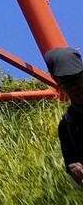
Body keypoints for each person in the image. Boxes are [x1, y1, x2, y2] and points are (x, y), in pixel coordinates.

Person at [46, 46, 83, 186]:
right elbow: (73, 170)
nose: (76, 87)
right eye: (67, 82)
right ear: (57, 82)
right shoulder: (68, 126)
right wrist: (76, 172)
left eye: (78, 78)